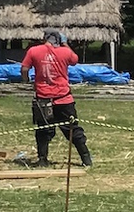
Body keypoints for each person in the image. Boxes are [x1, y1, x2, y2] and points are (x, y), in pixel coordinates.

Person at [20, 29, 92, 167]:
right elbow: (74, 60)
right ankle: (86, 158)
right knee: (72, 129)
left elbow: (24, 69)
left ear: (44, 38)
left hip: (43, 98)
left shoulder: (33, 51)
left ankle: (42, 159)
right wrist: (65, 44)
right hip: (63, 98)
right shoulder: (65, 52)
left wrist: (27, 81)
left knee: (43, 129)